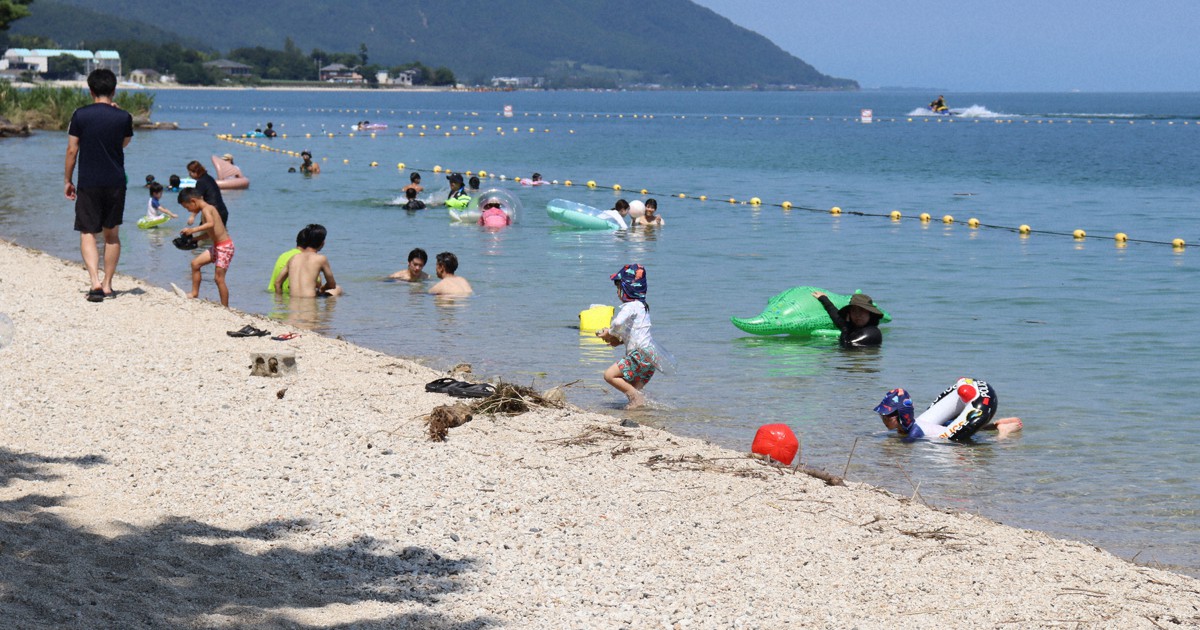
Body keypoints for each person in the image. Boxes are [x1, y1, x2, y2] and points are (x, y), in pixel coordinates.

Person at [64, 68, 133, 302]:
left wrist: (67, 180)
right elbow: (123, 144)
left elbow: (72, 150)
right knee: (112, 235)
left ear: (90, 90)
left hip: (89, 181)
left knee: (88, 232)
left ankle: (94, 282)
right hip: (115, 181)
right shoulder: (124, 117)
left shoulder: (80, 115)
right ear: (114, 90)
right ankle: (108, 285)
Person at [874, 378, 1023, 442]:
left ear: (901, 415)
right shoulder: (908, 426)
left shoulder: (915, 432)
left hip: (950, 431)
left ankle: (1004, 433)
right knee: (953, 426)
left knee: (963, 443)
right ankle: (994, 426)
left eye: (888, 416)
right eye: (883, 416)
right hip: (942, 428)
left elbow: (906, 445)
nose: (884, 419)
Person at [597, 264, 656, 409]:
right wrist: (619, 340)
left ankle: (638, 400)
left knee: (609, 375)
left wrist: (609, 332)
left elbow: (617, 323)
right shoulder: (643, 307)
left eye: (619, 288)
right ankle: (640, 410)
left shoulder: (630, 306)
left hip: (639, 355)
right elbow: (636, 333)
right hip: (651, 357)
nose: (617, 293)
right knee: (631, 389)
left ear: (627, 288)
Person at [178, 188, 234, 307]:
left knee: (219, 279)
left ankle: (225, 307)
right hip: (217, 246)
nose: (188, 211)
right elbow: (210, 232)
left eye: (187, 207)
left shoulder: (207, 209)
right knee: (195, 264)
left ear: (193, 201)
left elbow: (210, 224)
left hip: (225, 247)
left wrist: (192, 229)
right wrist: (193, 239)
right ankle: (194, 293)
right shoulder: (206, 210)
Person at [275, 224, 342, 297]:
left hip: (293, 304)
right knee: (338, 289)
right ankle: (328, 308)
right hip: (309, 304)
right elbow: (332, 284)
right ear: (323, 243)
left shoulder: (293, 258)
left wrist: (280, 302)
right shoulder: (321, 259)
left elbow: (277, 283)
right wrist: (322, 289)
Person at [811, 291, 883, 347]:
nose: (858, 315)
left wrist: (845, 327)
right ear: (849, 314)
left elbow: (846, 344)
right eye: (854, 311)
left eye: (862, 311)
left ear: (870, 313)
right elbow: (837, 318)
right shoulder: (852, 328)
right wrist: (824, 299)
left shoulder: (872, 333)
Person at [185, 159, 229, 227]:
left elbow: (198, 201)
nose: (190, 175)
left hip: (213, 212)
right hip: (223, 211)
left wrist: (192, 216)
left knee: (204, 235)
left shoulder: (200, 182)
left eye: (190, 173)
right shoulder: (209, 178)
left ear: (195, 172)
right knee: (221, 235)